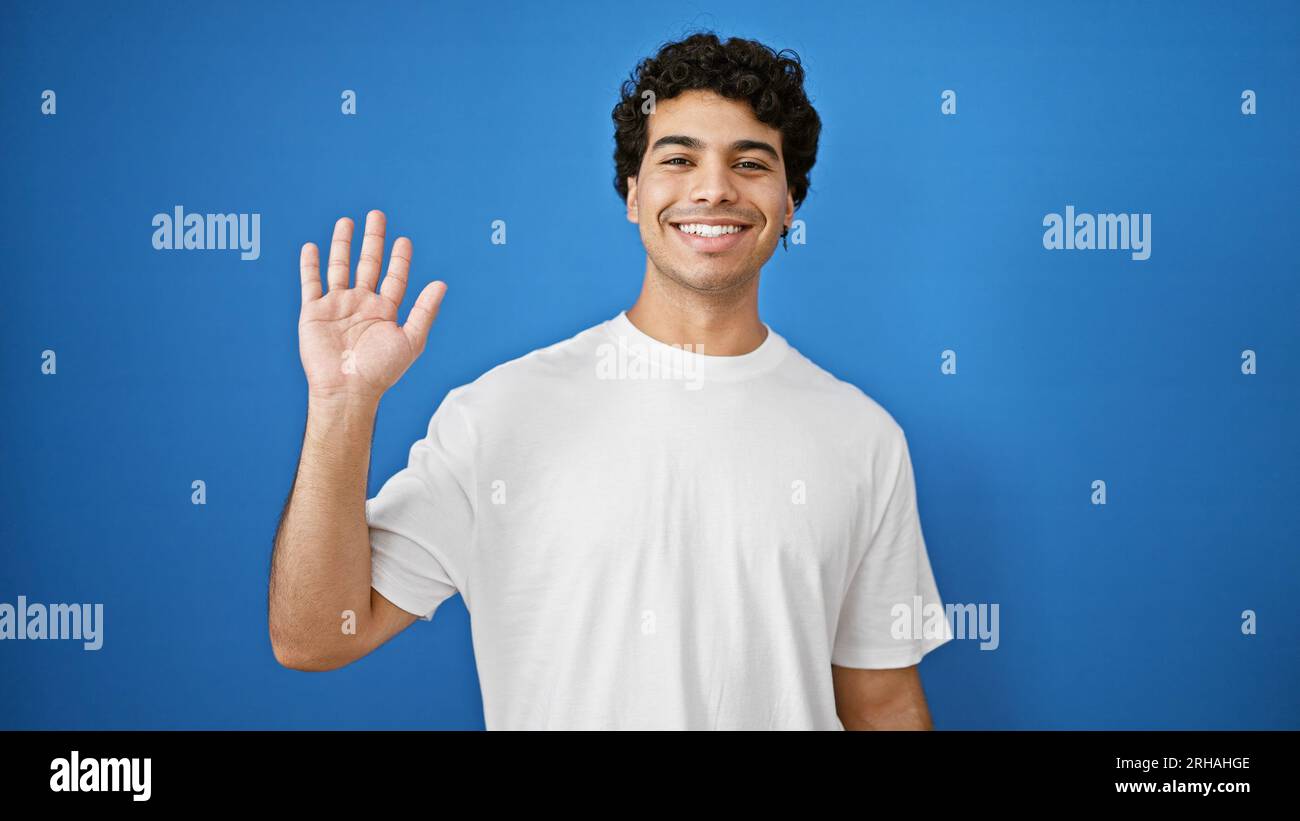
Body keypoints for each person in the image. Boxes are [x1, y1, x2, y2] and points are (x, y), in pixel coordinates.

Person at [269, 31, 953, 730]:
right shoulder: (499, 414)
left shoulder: (863, 436)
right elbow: (314, 637)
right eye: (678, 158)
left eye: (750, 163)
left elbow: (883, 704)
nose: (714, 188)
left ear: (789, 204)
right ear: (633, 193)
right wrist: (340, 405)